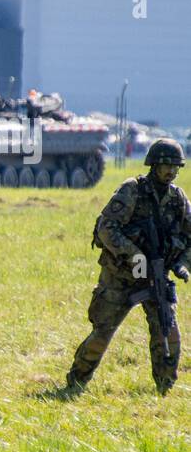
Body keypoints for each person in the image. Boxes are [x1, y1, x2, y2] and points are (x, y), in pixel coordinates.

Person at [66, 139, 191, 395]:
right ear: (154, 165)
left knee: (168, 332)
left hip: (157, 276)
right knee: (102, 334)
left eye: (175, 167)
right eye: (166, 165)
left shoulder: (178, 198)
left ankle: (164, 386)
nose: (171, 171)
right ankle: (77, 380)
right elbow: (106, 228)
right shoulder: (131, 191)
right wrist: (135, 255)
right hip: (121, 275)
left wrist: (182, 264)